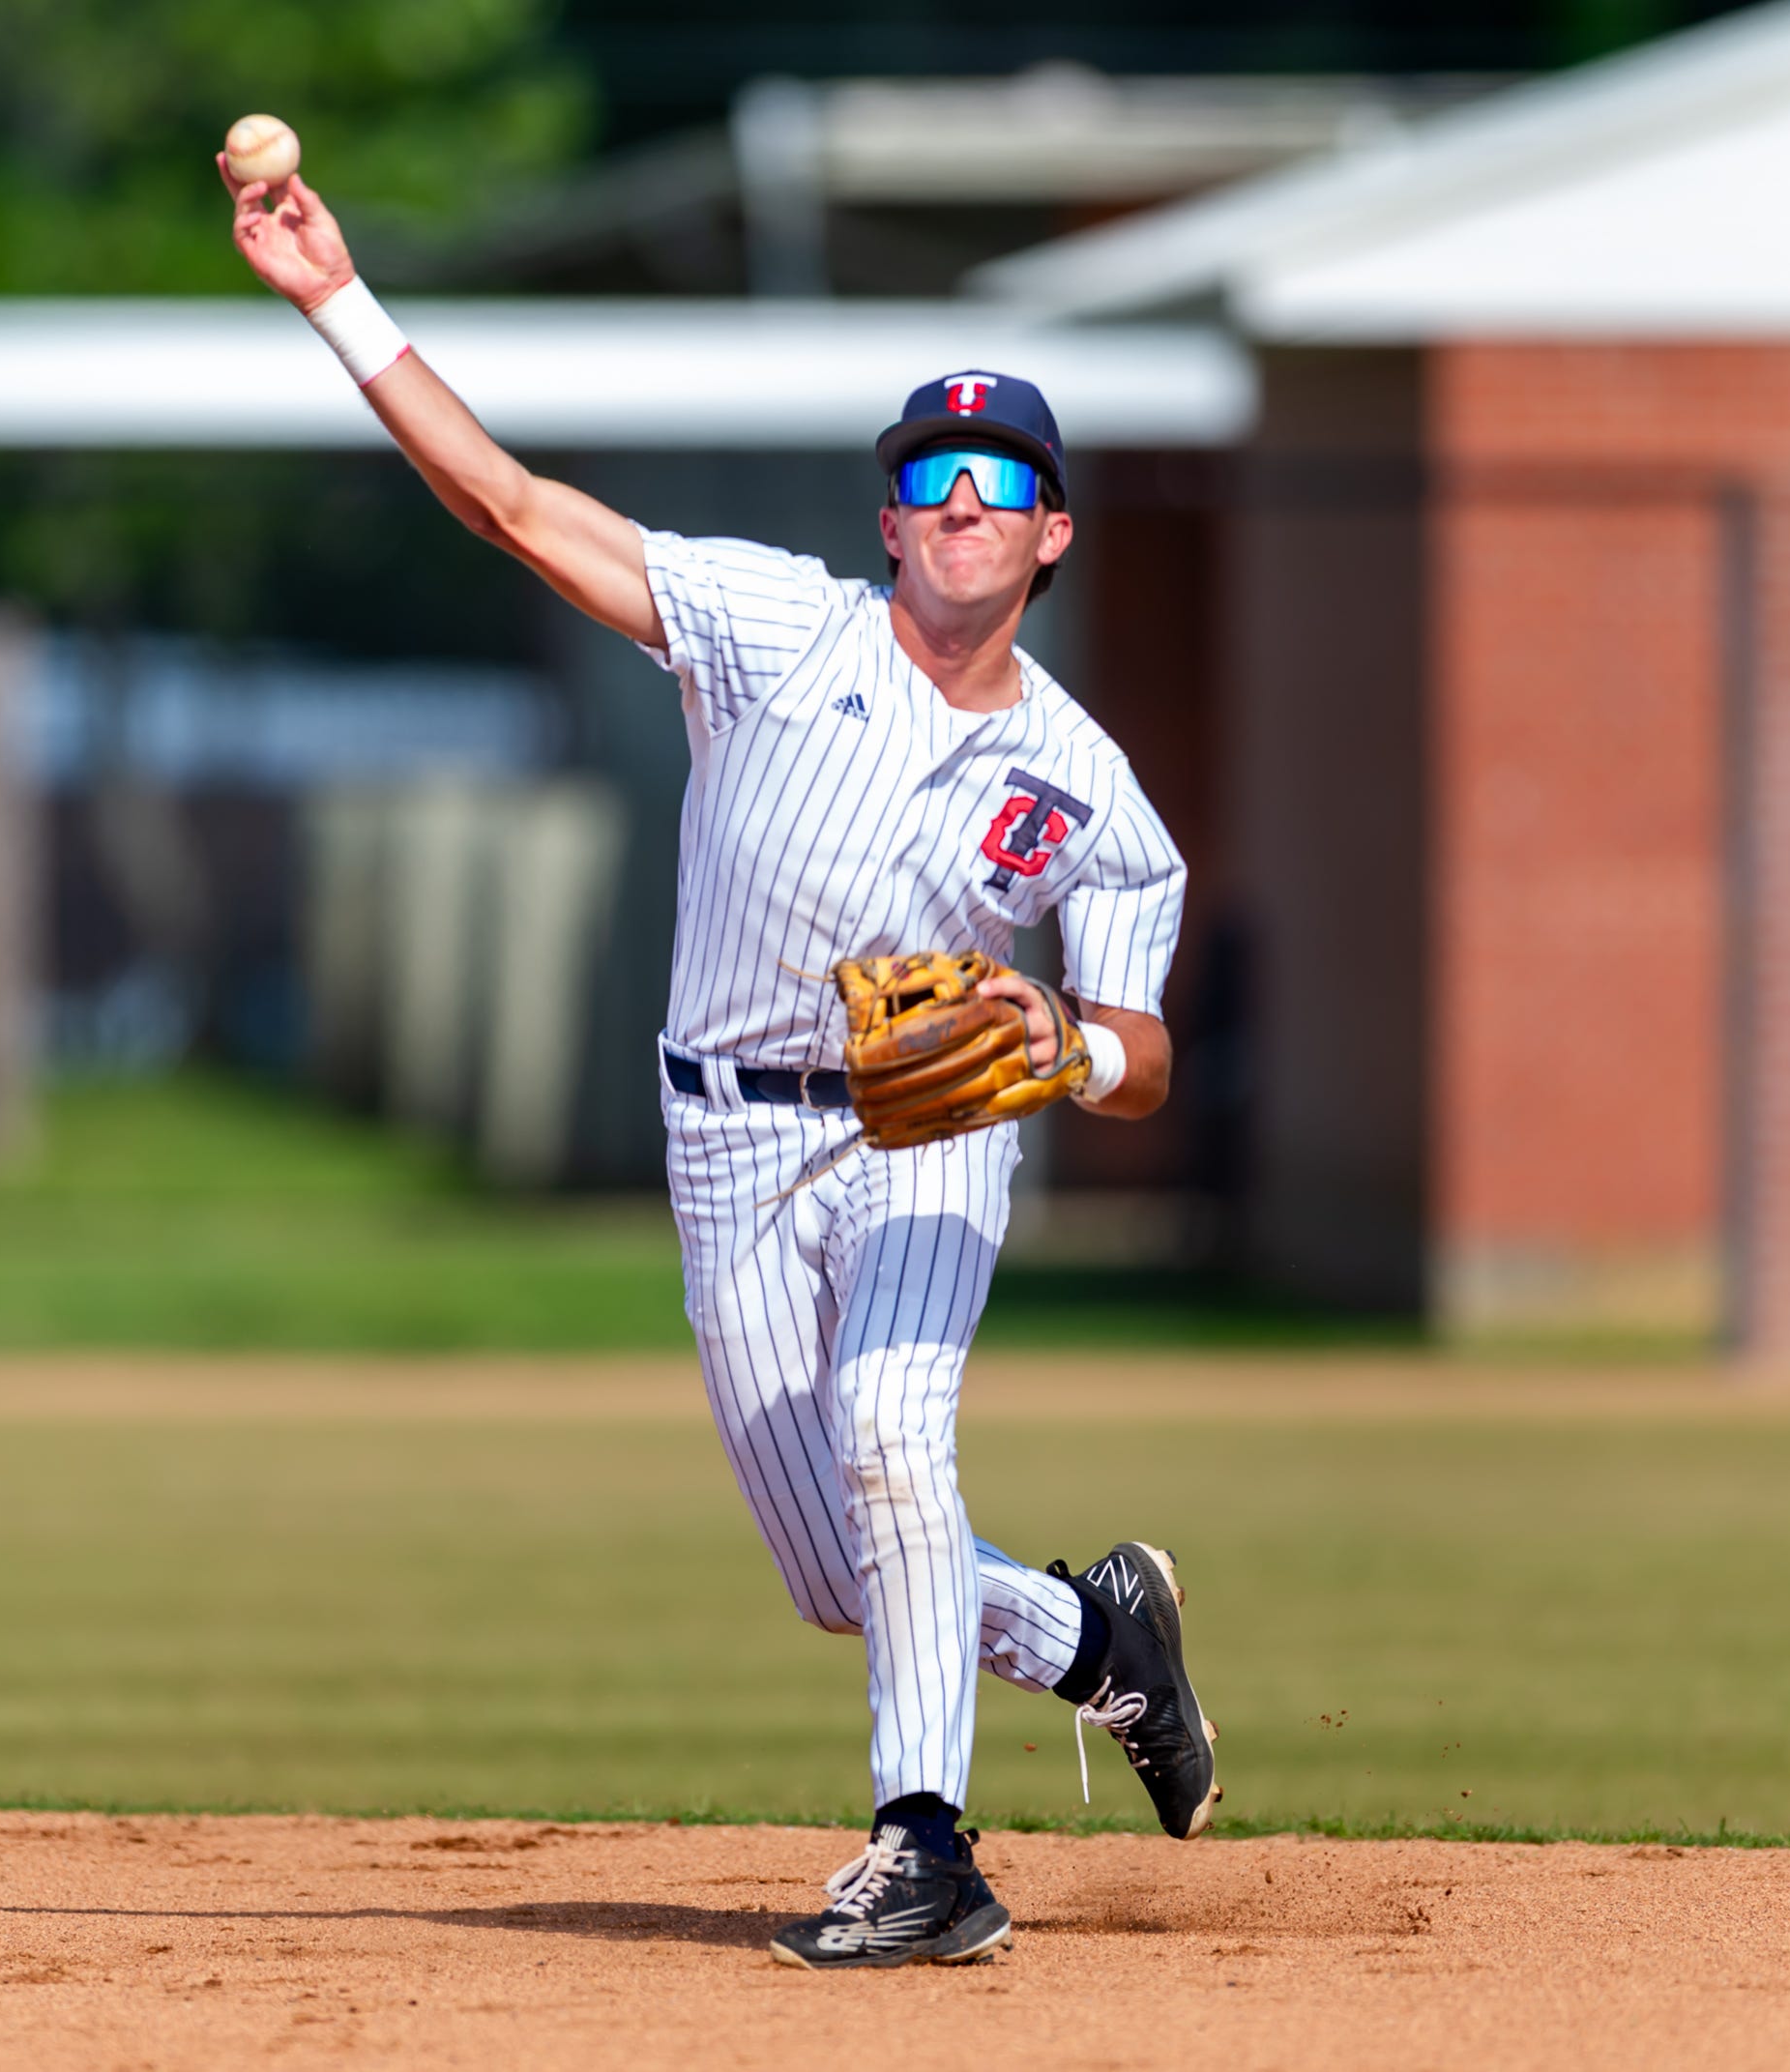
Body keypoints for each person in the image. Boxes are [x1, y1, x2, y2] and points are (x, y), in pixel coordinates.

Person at [224, 161, 1217, 1971]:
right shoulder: (778, 629)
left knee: (897, 1444)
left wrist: (1065, 1041)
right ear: (893, 518)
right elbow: (518, 508)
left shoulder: (1085, 785)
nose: (964, 501)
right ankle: (1095, 1642)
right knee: (843, 1579)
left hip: (934, 1129)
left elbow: (1150, 1056)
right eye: (931, 474)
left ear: (1054, 535)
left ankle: (929, 1853)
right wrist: (337, 305)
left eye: (1004, 481)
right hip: (726, 1136)